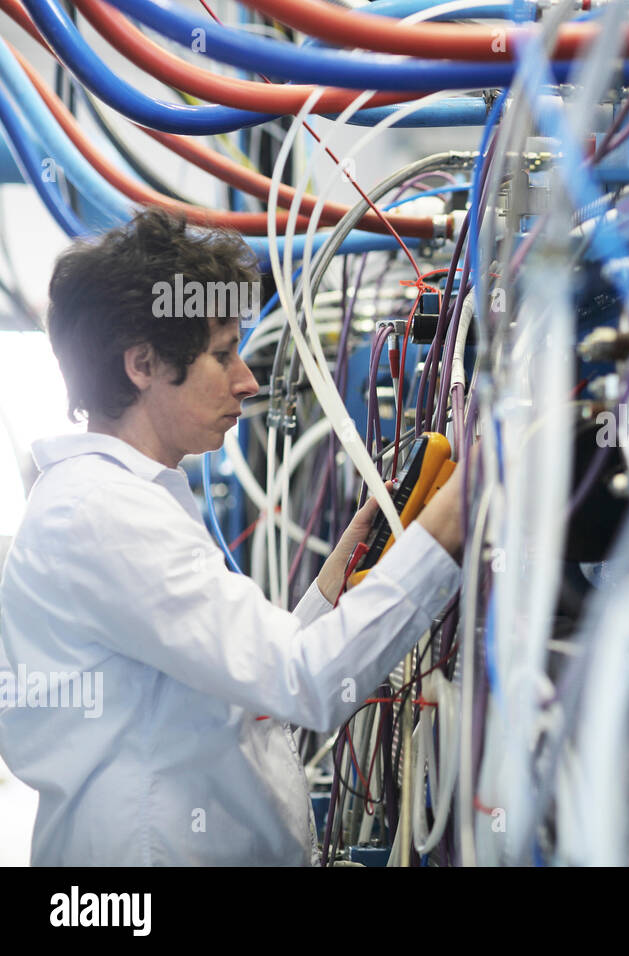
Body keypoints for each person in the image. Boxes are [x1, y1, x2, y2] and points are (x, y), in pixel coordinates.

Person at [0, 209, 462, 865]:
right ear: (142, 365)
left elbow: (228, 685)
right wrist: (457, 524)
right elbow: (308, 683)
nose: (246, 379)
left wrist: (327, 598)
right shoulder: (101, 515)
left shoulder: (120, 501)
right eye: (222, 355)